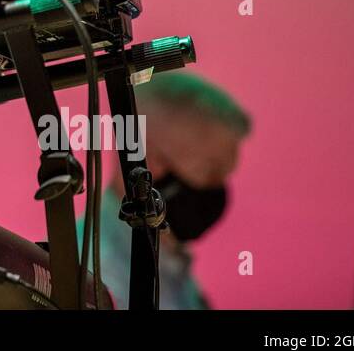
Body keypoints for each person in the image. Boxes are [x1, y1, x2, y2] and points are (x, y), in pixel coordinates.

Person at [81, 71, 251, 309]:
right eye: (210, 171)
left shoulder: (168, 262)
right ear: (148, 161)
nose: (218, 190)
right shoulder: (92, 277)